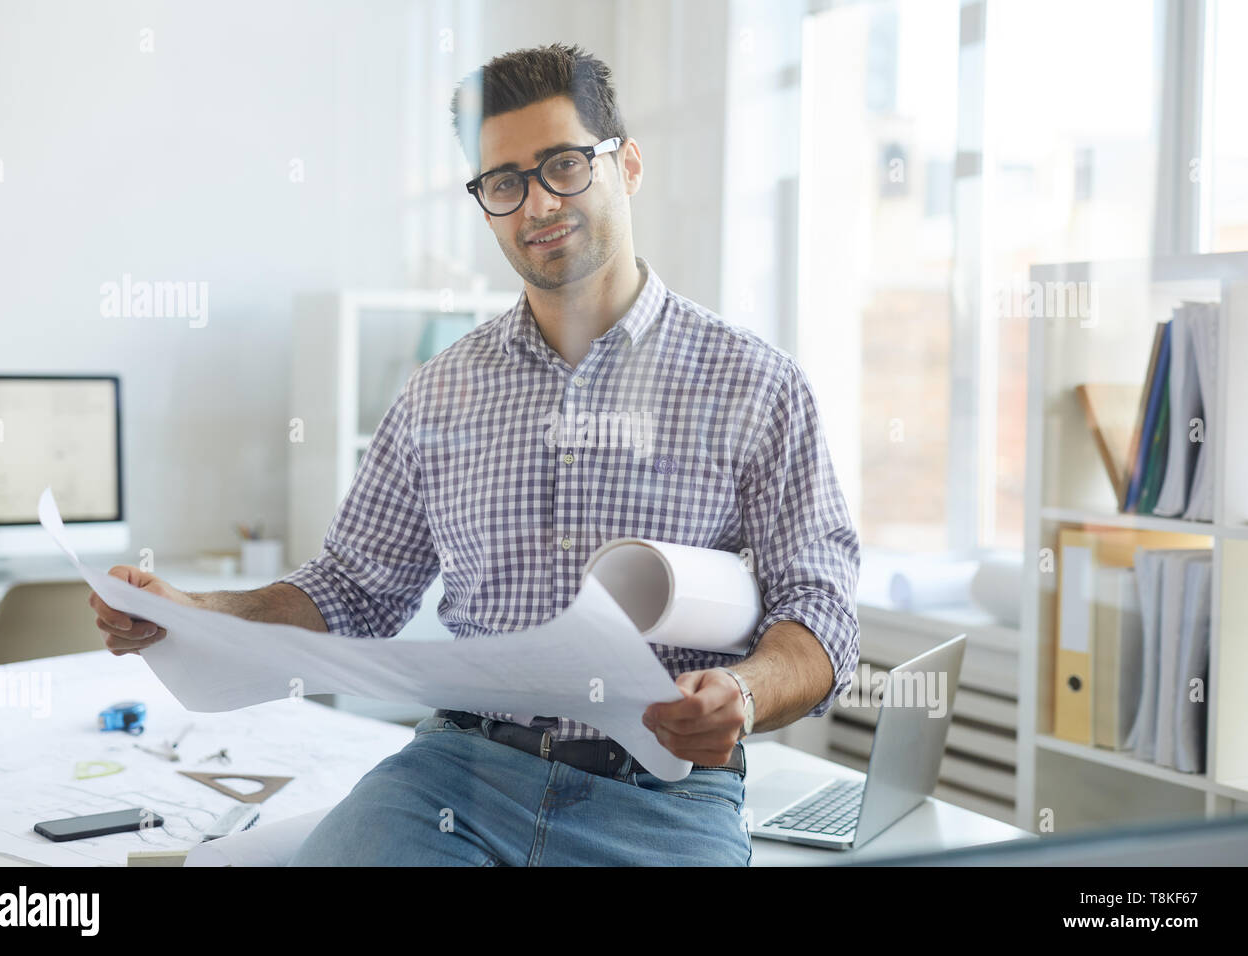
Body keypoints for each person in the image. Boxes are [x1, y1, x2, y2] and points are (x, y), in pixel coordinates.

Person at [89, 42, 860, 866]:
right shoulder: (438, 392)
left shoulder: (757, 385)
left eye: (564, 164)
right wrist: (196, 613)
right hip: (455, 779)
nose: (536, 204)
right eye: (504, 182)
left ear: (627, 164)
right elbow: (352, 590)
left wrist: (741, 693)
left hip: (661, 798)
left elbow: (820, 614)